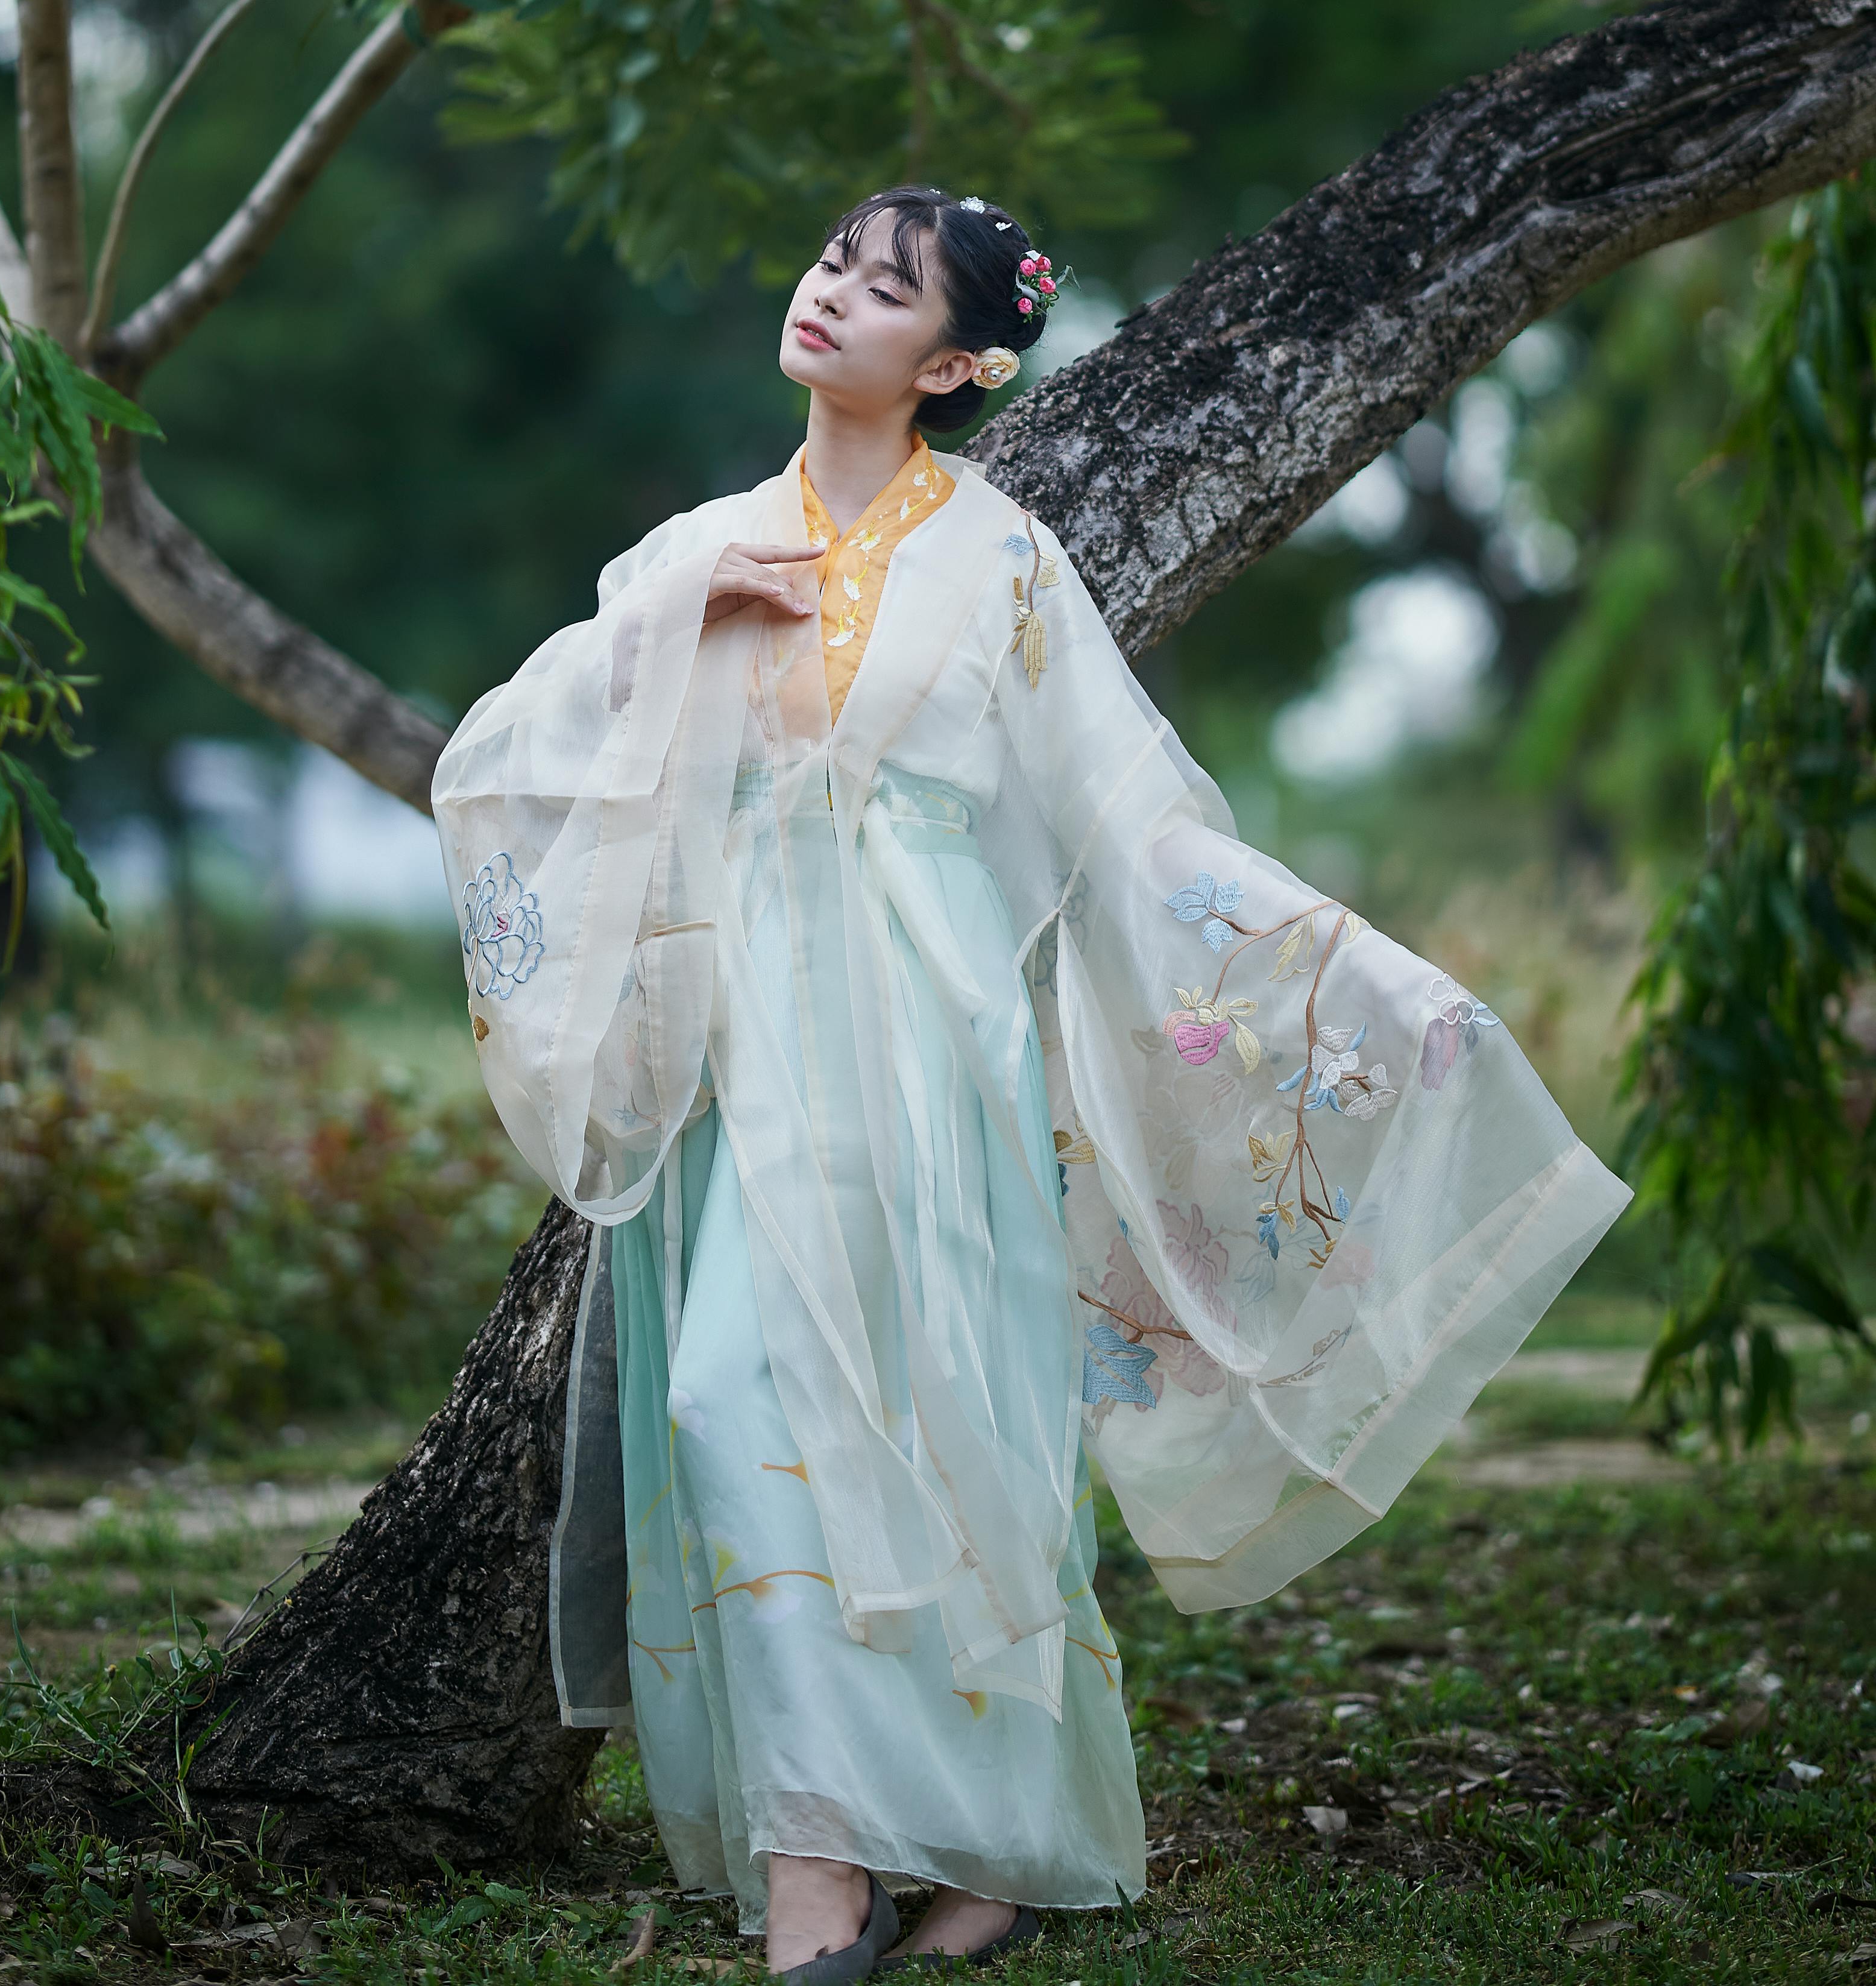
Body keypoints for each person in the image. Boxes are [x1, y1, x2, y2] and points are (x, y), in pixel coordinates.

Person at [433, 187, 1629, 1982]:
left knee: (957, 1449)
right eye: (834, 259)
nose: (834, 294)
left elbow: (1132, 832)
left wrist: (1358, 987)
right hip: (751, 1060)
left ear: (964, 362)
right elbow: (504, 765)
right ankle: (817, 1870)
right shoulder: (691, 550)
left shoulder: (999, 564)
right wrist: (670, 631)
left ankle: (988, 1853)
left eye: (887, 287)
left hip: (935, 1058)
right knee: (732, 1401)